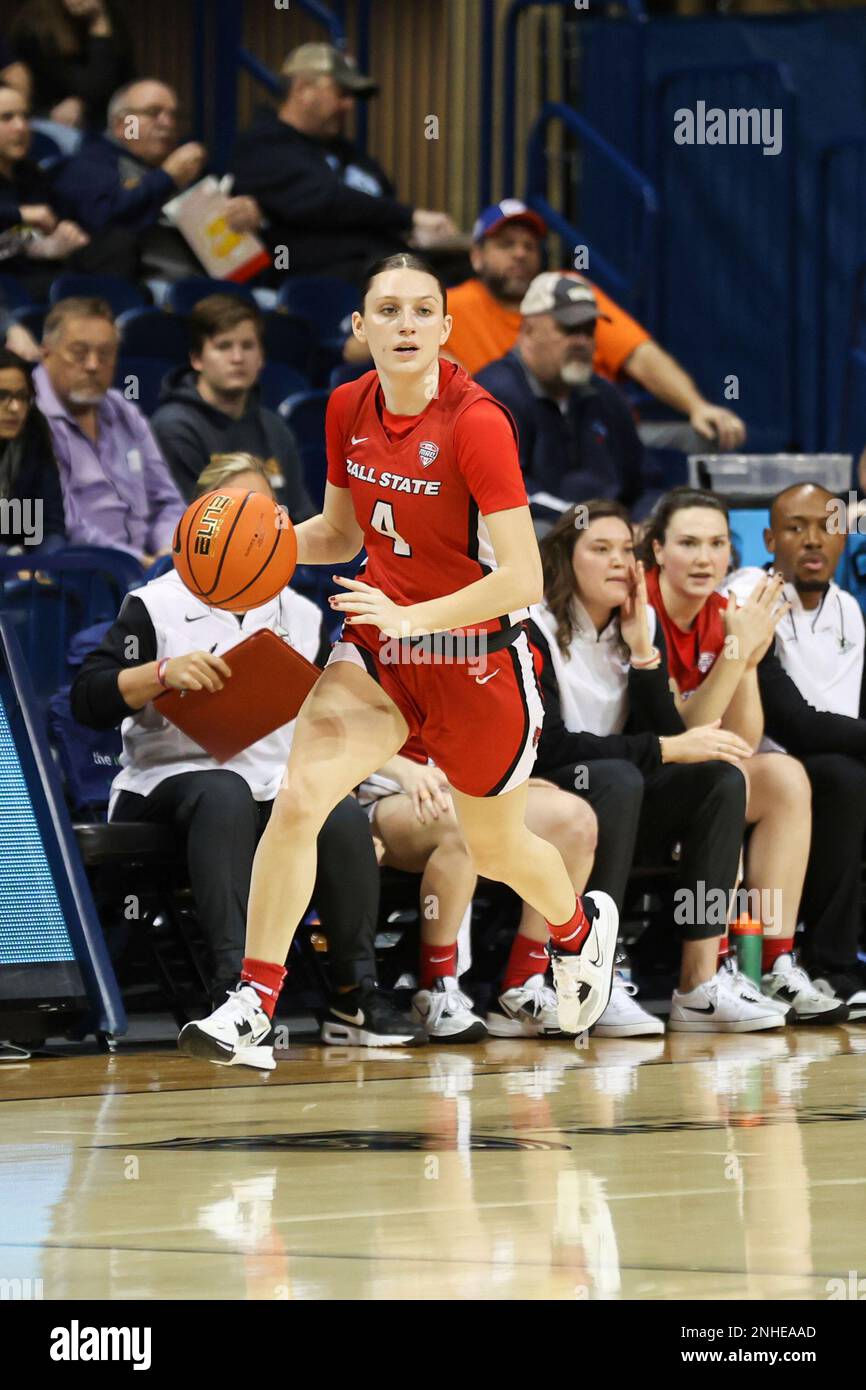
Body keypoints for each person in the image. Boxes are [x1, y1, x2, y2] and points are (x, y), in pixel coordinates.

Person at [178, 251, 620, 1069]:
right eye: (387, 310)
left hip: (477, 658)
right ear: (360, 328)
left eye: (422, 311)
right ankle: (253, 1002)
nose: (406, 324)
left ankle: (578, 930)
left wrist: (413, 615)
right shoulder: (347, 405)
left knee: (493, 850)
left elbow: (522, 577)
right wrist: (258, 548)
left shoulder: (478, 421)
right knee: (302, 796)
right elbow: (342, 535)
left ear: (447, 330)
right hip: (381, 646)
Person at [71, 452, 424, 1064]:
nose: (266, 522)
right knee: (223, 792)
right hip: (169, 776)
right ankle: (237, 995)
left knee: (336, 812)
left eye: (272, 509)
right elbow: (88, 699)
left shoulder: (306, 613)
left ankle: (354, 992)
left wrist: (398, 769)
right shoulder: (153, 604)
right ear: (205, 522)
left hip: (272, 776)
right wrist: (159, 672)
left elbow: (334, 722)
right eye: (244, 509)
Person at [529, 500, 785, 1034]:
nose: (620, 562)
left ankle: (698, 983)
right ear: (566, 558)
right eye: (601, 550)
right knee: (619, 778)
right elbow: (549, 747)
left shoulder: (637, 623)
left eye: (626, 550)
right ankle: (599, 972)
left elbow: (671, 737)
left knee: (718, 778)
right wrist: (664, 751)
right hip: (546, 795)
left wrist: (645, 655)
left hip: (620, 799)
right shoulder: (535, 626)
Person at [641, 486, 846, 1025]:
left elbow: (744, 737)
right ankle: (710, 971)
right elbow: (680, 730)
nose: (705, 557)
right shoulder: (640, 609)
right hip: (641, 774)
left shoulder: (722, 612)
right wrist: (737, 654)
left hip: (700, 773)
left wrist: (749, 657)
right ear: (658, 550)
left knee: (782, 775)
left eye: (716, 543)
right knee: (722, 779)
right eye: (688, 543)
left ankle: (775, 960)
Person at [431, 199, 746, 453]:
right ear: (476, 256)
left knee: (710, 437)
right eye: (506, 244)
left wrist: (696, 406)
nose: (520, 253)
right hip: (511, 438)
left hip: (600, 433)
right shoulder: (447, 307)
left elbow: (639, 353)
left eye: (529, 246)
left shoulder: (570, 291)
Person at [724, 482, 866, 1016]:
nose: (813, 540)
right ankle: (832, 966)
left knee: (846, 773)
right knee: (843, 778)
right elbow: (795, 724)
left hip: (832, 761)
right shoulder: (750, 595)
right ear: (768, 538)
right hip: (759, 765)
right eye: (794, 527)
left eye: (826, 526)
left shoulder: (849, 608)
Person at [359, 737, 598, 1040]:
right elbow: (330, 734)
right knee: (465, 826)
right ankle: (436, 988)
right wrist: (405, 771)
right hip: (383, 793)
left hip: (461, 789)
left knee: (574, 819)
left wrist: (506, 783)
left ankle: (523, 987)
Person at [229, 43, 456, 284]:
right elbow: (326, 200)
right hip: (324, 280)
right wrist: (411, 217)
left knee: (464, 270)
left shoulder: (345, 150)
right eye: (341, 93)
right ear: (302, 89)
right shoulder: (263, 146)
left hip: (386, 262)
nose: (349, 105)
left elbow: (382, 195)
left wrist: (414, 230)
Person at [50, 78, 256, 281]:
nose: (167, 123)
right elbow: (107, 222)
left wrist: (243, 214)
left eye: (173, 115)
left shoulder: (186, 166)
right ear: (123, 125)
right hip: (142, 286)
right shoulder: (89, 164)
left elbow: (229, 246)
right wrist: (167, 177)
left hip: (210, 280)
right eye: (153, 112)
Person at [475, 273, 647, 516]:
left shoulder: (605, 394)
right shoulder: (494, 393)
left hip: (609, 538)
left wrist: (650, 522)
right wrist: (586, 525)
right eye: (569, 328)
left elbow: (644, 481)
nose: (581, 342)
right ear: (528, 331)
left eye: (588, 330)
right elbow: (503, 491)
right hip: (541, 539)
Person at [34, 297, 184, 565]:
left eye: (105, 354)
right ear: (46, 353)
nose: (93, 365)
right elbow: (62, 524)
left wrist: (166, 551)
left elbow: (167, 501)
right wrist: (138, 562)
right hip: (75, 574)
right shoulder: (29, 416)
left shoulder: (124, 411)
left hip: (148, 570)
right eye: (79, 353)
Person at [151, 294, 313, 516]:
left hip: (283, 544)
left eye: (247, 346)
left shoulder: (276, 428)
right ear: (197, 359)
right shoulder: (173, 427)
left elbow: (302, 514)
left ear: (261, 358)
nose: (237, 357)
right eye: (224, 346)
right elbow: (190, 522)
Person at [0, 80, 90, 298]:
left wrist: (61, 237)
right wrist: (20, 214)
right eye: (7, 118)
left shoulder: (31, 173)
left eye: (25, 117)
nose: (21, 127)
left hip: (36, 273)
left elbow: (37, 232)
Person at [9, 0, 134, 130]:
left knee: (136, 125)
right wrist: (98, 24)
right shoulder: (36, 25)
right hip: (50, 122)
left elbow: (128, 81)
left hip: (109, 121)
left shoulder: (110, 15)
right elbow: (90, 88)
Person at [0, 347, 66, 554]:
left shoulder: (33, 435)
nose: (15, 408)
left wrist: (42, 569)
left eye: (22, 397)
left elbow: (51, 528)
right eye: (2, 396)